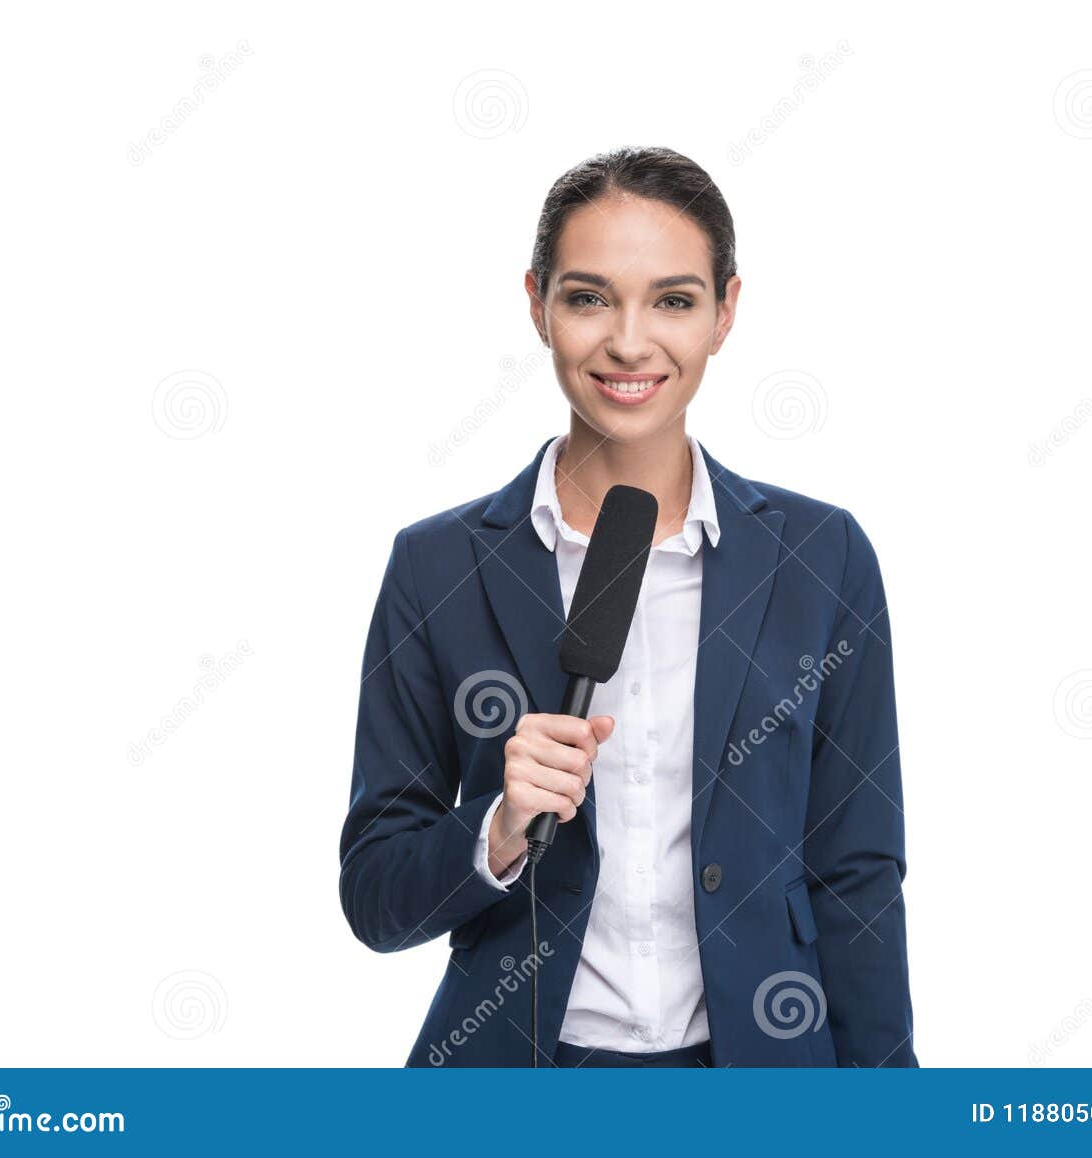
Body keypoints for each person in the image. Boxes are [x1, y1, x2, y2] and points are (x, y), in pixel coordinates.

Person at [337, 146, 917, 1067]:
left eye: (675, 300)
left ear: (726, 312)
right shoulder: (436, 565)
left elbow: (856, 875)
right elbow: (375, 893)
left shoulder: (821, 556)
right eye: (589, 297)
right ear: (537, 304)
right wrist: (494, 826)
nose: (631, 342)